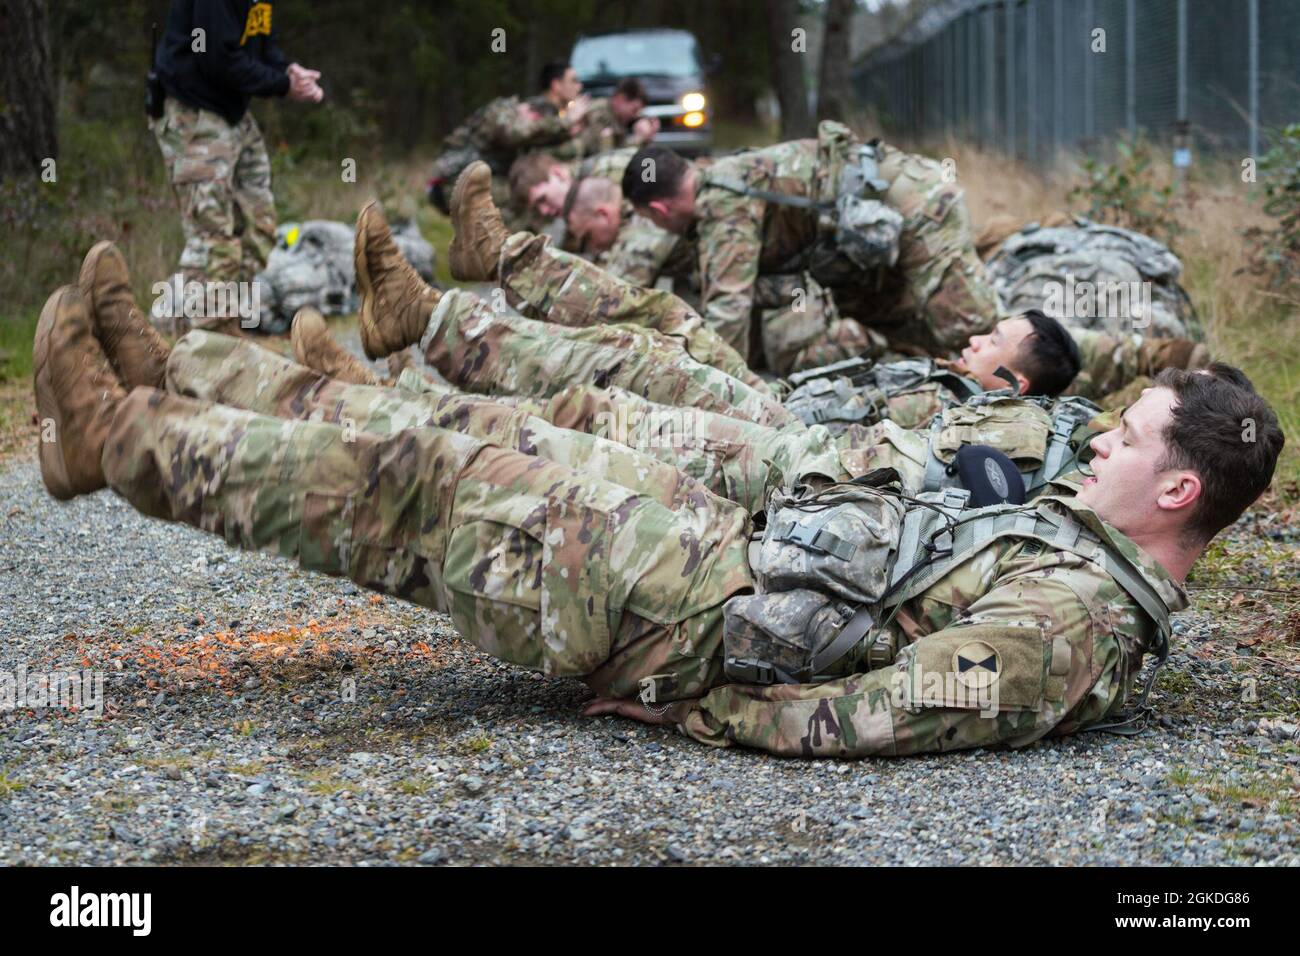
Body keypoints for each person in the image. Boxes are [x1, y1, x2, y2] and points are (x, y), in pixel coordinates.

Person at [32, 236, 1284, 756]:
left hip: (692, 614)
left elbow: (881, 713)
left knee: (413, 488)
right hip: (724, 543)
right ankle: (181, 378)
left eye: (1123, 438)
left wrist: (702, 713)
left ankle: (116, 440)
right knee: (467, 435)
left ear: (1175, 486)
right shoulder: (1078, 535)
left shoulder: (1065, 624)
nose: (1097, 446)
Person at [621, 124, 1000, 370]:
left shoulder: (722, 204)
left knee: (971, 327)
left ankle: (1037, 398)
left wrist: (713, 387)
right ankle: (952, 379)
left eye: (652, 220)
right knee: (894, 321)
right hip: (875, 228)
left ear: (659, 208)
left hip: (918, 205)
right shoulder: (725, 178)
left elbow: (728, 308)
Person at [150, 0, 323, 334]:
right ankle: (202, 338)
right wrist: (282, 85)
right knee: (212, 235)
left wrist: (287, 70)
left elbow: (260, 42)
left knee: (260, 226)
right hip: (193, 110)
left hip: (230, 113)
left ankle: (209, 323)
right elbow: (218, 58)